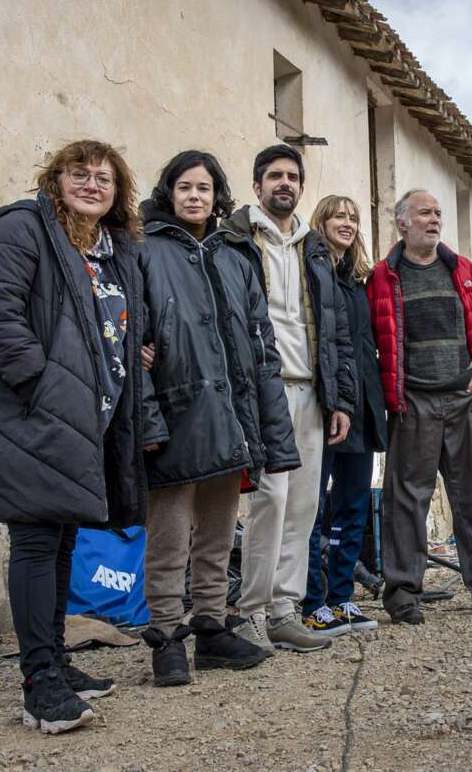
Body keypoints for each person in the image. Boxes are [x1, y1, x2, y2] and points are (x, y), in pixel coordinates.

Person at [0, 140, 148, 733]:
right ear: (55, 178)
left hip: (89, 417)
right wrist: (41, 385)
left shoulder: (111, 251)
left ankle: (57, 662)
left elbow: (111, 327)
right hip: (33, 413)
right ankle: (39, 683)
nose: (92, 184)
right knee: (38, 539)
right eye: (79, 173)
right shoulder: (24, 228)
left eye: (105, 178)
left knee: (64, 537)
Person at [135, 150, 300, 685]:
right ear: (169, 191)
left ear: (217, 196)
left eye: (204, 189)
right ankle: (165, 636)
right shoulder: (144, 251)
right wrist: (146, 417)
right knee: (168, 532)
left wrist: (267, 423)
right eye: (184, 187)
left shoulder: (235, 255)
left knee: (217, 528)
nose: (195, 197)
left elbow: (262, 342)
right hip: (176, 413)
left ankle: (210, 628)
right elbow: (133, 335)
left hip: (230, 413)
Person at [367, 189, 472, 624]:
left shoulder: (461, 270)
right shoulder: (384, 277)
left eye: (438, 213)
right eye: (425, 213)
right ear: (402, 222)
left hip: (463, 399)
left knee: (469, 496)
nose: (434, 219)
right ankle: (404, 594)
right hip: (413, 403)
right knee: (407, 499)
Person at [223, 144, 356, 653]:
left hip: (311, 390)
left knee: (303, 505)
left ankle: (285, 609)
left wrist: (339, 398)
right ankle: (253, 612)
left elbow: (335, 330)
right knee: (269, 501)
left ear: (300, 187)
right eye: (274, 175)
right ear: (257, 185)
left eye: (292, 176)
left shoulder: (314, 248)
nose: (284, 183)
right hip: (262, 388)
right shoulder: (233, 240)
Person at [299, 196, 387, 636]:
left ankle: (342, 599)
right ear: (322, 222)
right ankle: (312, 603)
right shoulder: (311, 273)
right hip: (326, 402)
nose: (347, 224)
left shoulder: (360, 282)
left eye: (353, 218)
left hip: (363, 404)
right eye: (339, 216)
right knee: (313, 507)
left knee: (353, 504)